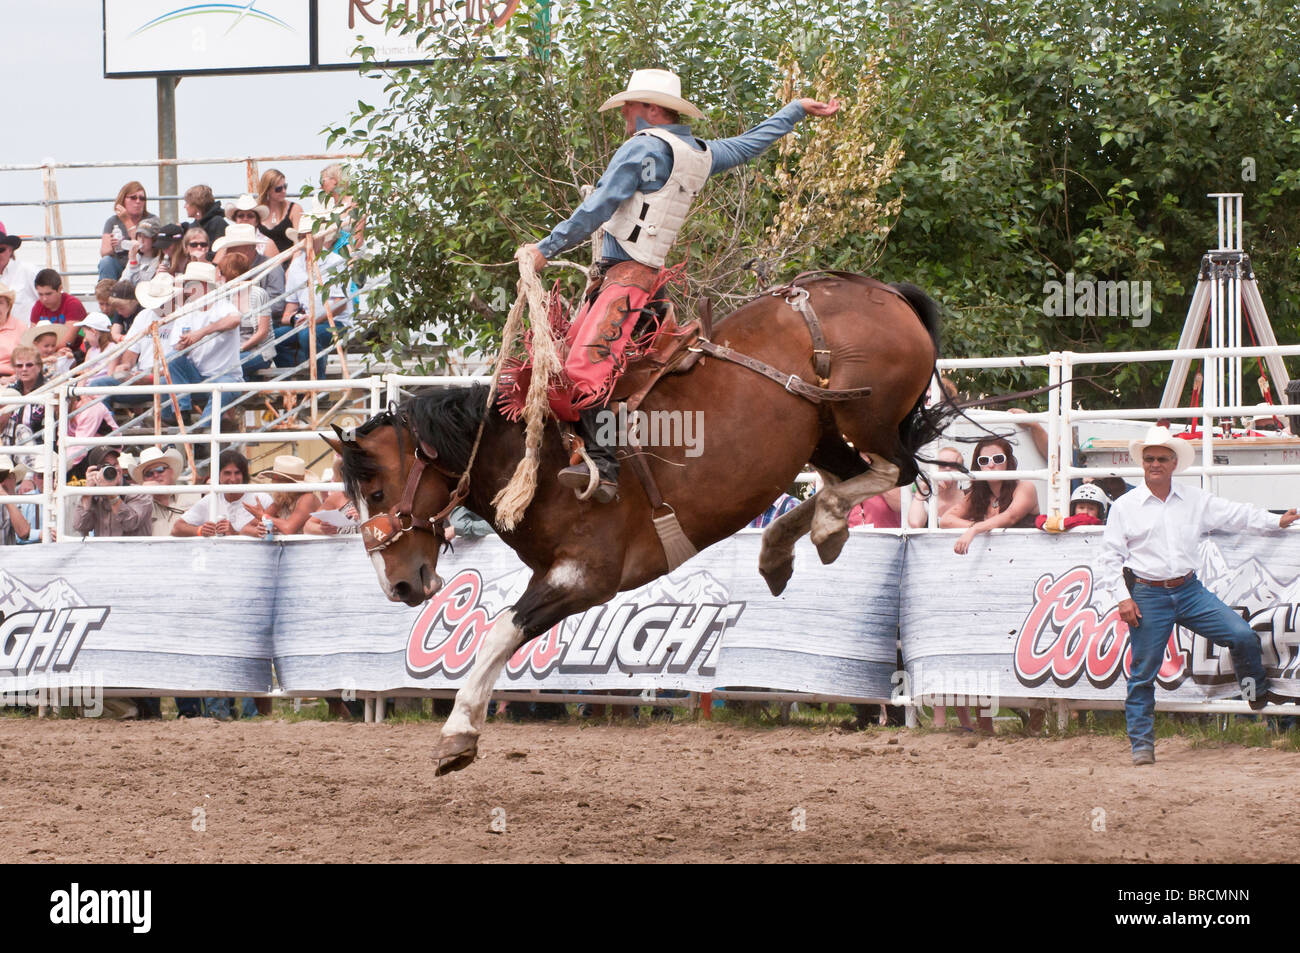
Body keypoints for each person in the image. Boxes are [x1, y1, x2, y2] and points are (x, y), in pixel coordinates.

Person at [519, 68, 841, 502]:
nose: (626, 115)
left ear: (652, 110)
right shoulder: (702, 153)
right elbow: (750, 145)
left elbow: (598, 207)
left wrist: (546, 248)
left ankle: (606, 468)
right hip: (648, 286)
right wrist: (795, 111)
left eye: (631, 106)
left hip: (626, 284)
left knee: (580, 370)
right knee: (592, 369)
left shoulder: (641, 149)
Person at [1096, 427, 1297, 766]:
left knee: (1241, 634)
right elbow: (1109, 557)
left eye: (1161, 458)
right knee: (1143, 671)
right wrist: (1122, 597)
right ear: (1143, 463)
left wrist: (1275, 521)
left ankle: (1253, 691)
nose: (1154, 464)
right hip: (1147, 593)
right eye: (1149, 459)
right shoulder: (1125, 507)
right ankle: (1141, 745)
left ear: (1174, 463)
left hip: (1188, 589)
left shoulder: (1195, 499)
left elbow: (1237, 515)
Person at [164, 261, 244, 426]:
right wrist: (184, 344)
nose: (186, 289)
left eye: (189, 284)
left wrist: (200, 333)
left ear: (204, 286)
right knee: (172, 359)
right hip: (201, 376)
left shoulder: (222, 306)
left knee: (223, 388)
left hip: (226, 376)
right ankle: (183, 414)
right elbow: (176, 349)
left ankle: (200, 430)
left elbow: (235, 319)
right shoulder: (186, 310)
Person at [278, 214, 351, 378]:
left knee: (308, 335)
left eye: (310, 235)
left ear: (321, 236)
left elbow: (340, 305)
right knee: (275, 338)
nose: (307, 239)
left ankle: (318, 384)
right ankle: (294, 383)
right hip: (306, 323)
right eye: (303, 236)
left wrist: (312, 319)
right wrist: (294, 319)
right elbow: (289, 308)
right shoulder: (296, 265)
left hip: (337, 323)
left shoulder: (336, 262)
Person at [942, 435, 1041, 554]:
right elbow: (946, 520)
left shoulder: (1025, 487)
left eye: (998, 459)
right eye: (984, 460)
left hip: (1027, 556)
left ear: (1008, 462)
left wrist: (975, 529)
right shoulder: (977, 494)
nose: (991, 465)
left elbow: (1010, 517)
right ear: (978, 466)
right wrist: (975, 526)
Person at [172, 449, 272, 538]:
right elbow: (176, 528)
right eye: (227, 473)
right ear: (218, 476)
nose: (232, 479)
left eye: (237, 473)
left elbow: (276, 531)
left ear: (244, 475)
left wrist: (235, 533)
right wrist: (200, 531)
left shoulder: (261, 498)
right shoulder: (210, 500)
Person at [213, 222, 284, 326]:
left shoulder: (271, 267)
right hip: (232, 322)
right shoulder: (225, 269)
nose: (227, 252)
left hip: (265, 324)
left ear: (249, 248)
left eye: (232, 248)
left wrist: (245, 313)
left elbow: (277, 303)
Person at [71, 446, 152, 538]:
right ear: (95, 472)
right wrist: (88, 492)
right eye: (106, 466)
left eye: (115, 464)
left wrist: (111, 494)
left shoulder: (140, 493)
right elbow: (80, 526)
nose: (114, 469)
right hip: (102, 551)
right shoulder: (94, 497)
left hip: (133, 552)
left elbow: (130, 524)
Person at [217, 252, 274, 374]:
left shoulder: (258, 294)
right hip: (233, 353)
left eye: (221, 272)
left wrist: (240, 349)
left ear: (231, 273)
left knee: (228, 367)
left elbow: (263, 332)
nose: (219, 276)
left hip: (259, 352)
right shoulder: (223, 295)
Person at [243, 455, 320, 537]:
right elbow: (245, 529)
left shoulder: (308, 498)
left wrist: (263, 516)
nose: (272, 482)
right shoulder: (282, 501)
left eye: (275, 479)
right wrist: (259, 531)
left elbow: (288, 528)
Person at [98, 182, 160, 281]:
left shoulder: (152, 220)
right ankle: (106, 293)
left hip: (143, 263)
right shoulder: (112, 221)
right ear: (123, 200)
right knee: (106, 262)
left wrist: (127, 221)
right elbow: (104, 252)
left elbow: (140, 245)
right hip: (119, 264)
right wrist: (114, 246)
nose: (138, 201)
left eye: (142, 198)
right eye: (133, 197)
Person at [130, 446, 189, 536]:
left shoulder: (193, 494)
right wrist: (142, 490)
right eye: (149, 473)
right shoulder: (139, 504)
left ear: (171, 472)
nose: (156, 475)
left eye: (160, 469)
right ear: (144, 481)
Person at [907, 446, 966, 528]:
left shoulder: (970, 496)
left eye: (954, 465)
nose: (947, 468)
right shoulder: (925, 499)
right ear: (934, 468)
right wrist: (921, 490)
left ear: (962, 469)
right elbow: (915, 524)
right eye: (941, 464)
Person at [256, 168, 303, 258]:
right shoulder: (257, 212)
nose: (284, 191)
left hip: (290, 262)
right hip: (263, 264)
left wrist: (293, 267)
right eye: (278, 189)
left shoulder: (295, 209)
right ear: (267, 190)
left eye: (285, 186)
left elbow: (299, 242)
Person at [1036, 482, 1111, 532]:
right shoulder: (1070, 522)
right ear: (1073, 509)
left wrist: (1061, 524)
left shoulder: (1096, 523)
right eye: (1081, 507)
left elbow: (1085, 519)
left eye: (1091, 509)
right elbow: (1039, 519)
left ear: (1100, 512)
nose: (1085, 512)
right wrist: (1046, 525)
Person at [0, 229, 37, 321]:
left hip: (27, 333)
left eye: (1, 249)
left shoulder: (28, 271)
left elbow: (53, 300)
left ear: (10, 250)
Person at [121, 218, 169, 285]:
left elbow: (140, 286)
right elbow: (123, 281)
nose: (141, 241)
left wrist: (133, 262)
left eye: (146, 237)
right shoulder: (136, 256)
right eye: (139, 236)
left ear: (154, 239)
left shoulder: (158, 260)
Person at [0, 455, 32, 545]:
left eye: (3, 477)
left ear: (13, 478)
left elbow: (24, 533)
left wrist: (5, 497)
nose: (2, 483)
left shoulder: (15, 502)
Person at [0, 282, 25, 376]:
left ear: (8, 306)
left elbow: (28, 361)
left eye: (0, 303)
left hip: (12, 377)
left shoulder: (20, 327)